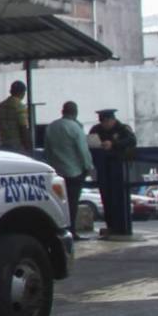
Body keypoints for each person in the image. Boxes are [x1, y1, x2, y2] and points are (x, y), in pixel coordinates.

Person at [44, 102, 94, 239]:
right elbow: (83, 151)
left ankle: (58, 229)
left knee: (57, 203)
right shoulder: (75, 128)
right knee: (72, 203)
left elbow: (47, 150)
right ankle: (71, 231)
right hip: (74, 172)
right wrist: (88, 167)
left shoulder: (51, 127)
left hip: (57, 171)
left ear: (62, 111)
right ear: (75, 113)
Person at [89, 108, 137, 237]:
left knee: (119, 198)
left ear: (112, 120)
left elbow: (132, 140)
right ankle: (110, 226)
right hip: (103, 168)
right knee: (106, 198)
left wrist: (113, 144)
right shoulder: (96, 130)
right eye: (102, 122)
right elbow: (90, 142)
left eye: (107, 121)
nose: (105, 124)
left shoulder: (122, 128)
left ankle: (120, 227)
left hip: (118, 169)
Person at [0, 81, 31, 154]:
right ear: (23, 93)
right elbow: (23, 128)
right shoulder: (20, 106)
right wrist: (28, 147)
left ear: (10, 91)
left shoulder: (0, 106)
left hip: (3, 144)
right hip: (16, 146)